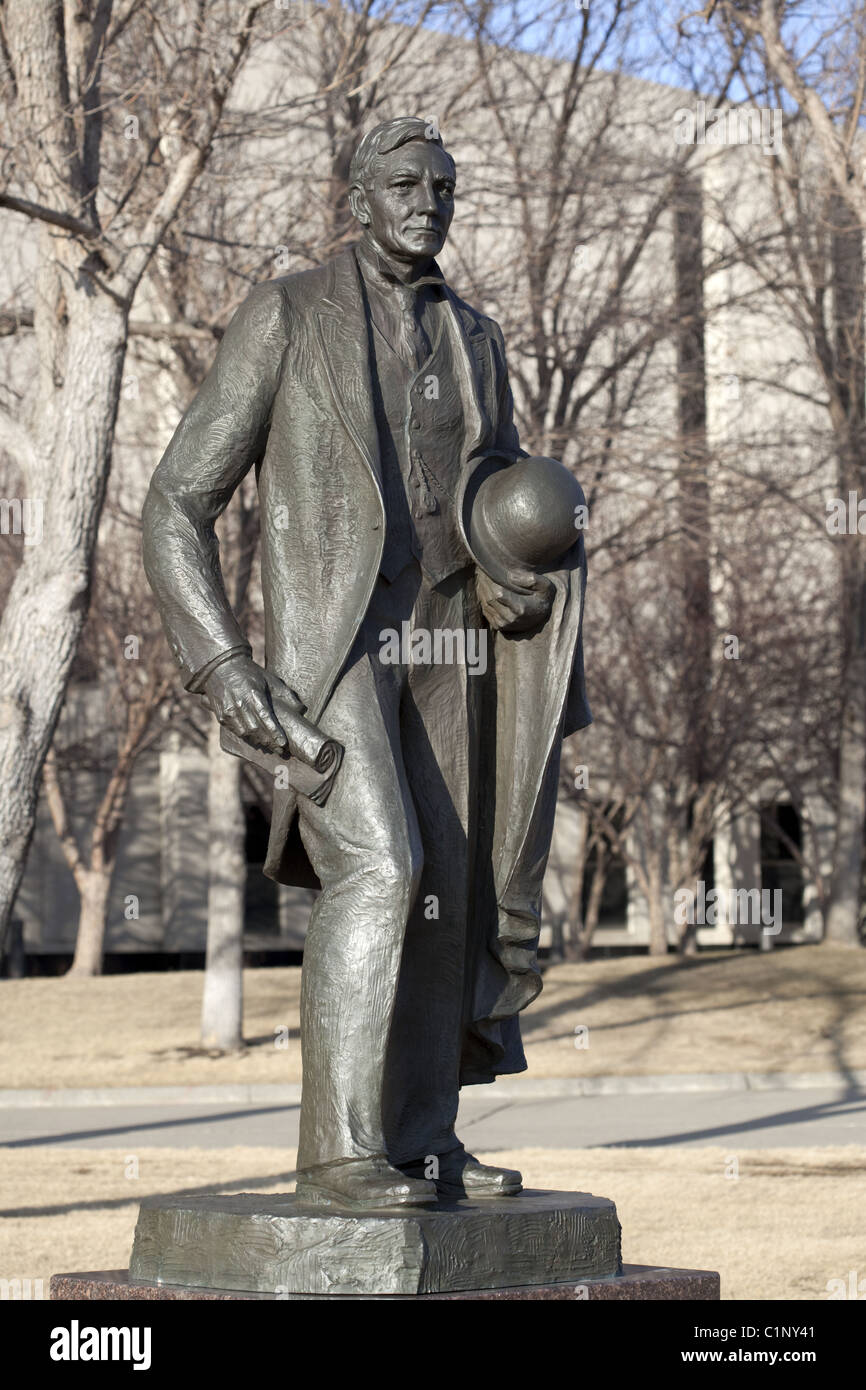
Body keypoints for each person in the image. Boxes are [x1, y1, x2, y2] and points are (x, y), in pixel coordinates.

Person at [142, 116, 589, 1211]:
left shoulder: (474, 338)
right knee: (382, 863)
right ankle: (339, 1154)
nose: (426, 200)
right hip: (333, 649)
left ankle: (424, 1140)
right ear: (357, 194)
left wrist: (513, 574)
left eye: (443, 183)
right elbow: (174, 503)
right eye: (404, 181)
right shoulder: (287, 314)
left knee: (448, 877)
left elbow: (485, 496)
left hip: (454, 641)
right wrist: (220, 664)